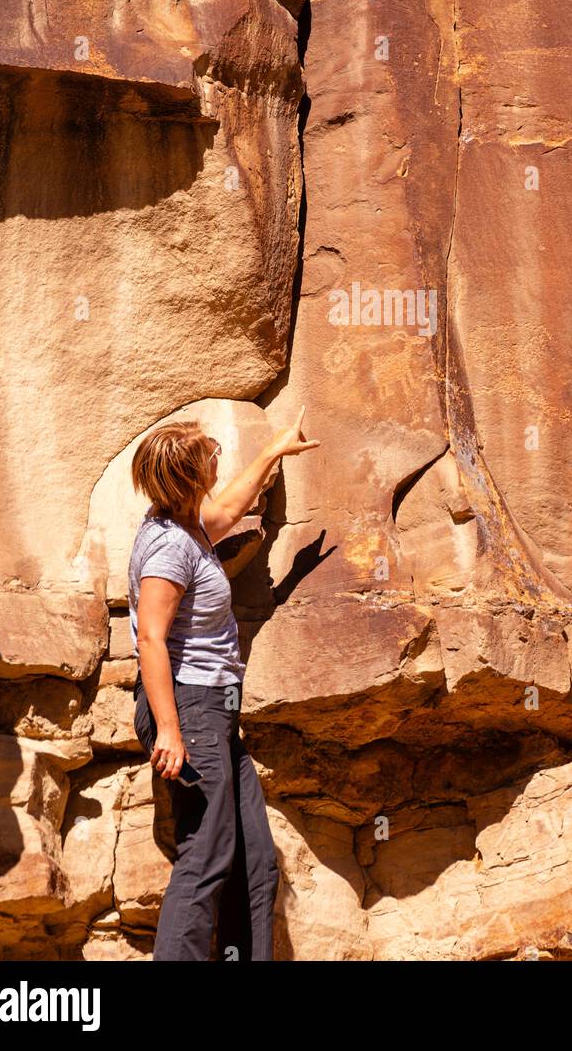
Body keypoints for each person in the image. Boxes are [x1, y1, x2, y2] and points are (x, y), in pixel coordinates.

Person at [128, 407, 320, 961]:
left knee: (254, 857)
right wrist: (169, 728)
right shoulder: (169, 547)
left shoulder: (185, 524)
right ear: (192, 476)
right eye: (212, 456)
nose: (219, 459)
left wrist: (273, 452)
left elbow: (230, 508)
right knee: (207, 853)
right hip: (187, 707)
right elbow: (151, 640)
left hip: (213, 711)